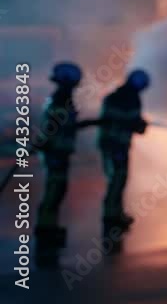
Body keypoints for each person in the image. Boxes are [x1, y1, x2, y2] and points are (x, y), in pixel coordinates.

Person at [34, 63, 84, 248]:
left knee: (58, 190)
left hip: (60, 152)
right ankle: (45, 229)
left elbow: (64, 126)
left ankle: (50, 226)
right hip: (55, 153)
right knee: (54, 190)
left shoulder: (63, 100)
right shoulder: (59, 101)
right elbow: (53, 128)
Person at [98, 69, 150, 229]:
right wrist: (138, 125)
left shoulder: (115, 97)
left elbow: (130, 123)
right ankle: (111, 216)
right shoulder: (129, 100)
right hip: (116, 146)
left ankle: (116, 213)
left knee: (118, 179)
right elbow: (127, 123)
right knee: (117, 179)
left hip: (114, 145)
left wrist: (138, 125)